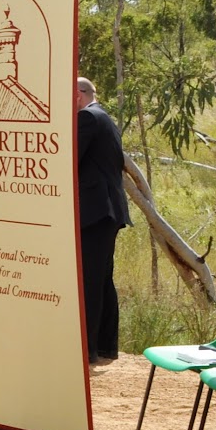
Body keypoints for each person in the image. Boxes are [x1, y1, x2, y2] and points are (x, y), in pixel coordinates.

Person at [76, 77, 129, 366]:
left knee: (90, 280)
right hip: (107, 210)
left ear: (78, 95)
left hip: (95, 211)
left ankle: (87, 348)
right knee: (102, 279)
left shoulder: (86, 117)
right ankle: (107, 345)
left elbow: (67, 159)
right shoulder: (103, 117)